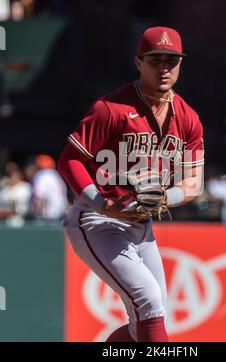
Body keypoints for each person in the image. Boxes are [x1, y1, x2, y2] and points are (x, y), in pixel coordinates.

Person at [58, 26, 205, 342]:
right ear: (139, 63)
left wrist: (167, 196)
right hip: (98, 221)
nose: (164, 68)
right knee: (149, 304)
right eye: (155, 60)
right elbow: (69, 159)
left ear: (180, 64)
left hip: (141, 225)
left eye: (171, 60)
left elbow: (193, 183)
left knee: (150, 318)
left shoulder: (188, 118)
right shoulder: (110, 108)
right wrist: (102, 203)